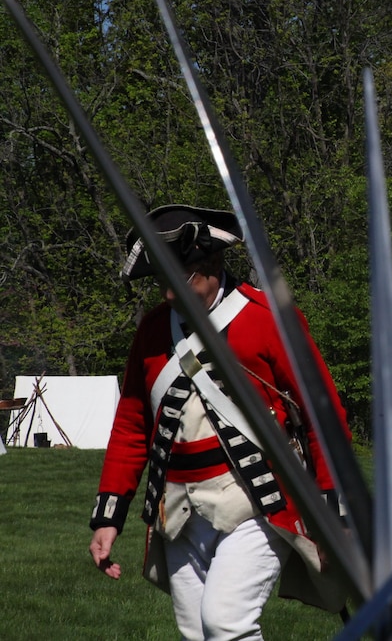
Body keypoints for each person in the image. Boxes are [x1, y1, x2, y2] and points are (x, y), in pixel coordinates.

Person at [88, 205, 351, 641]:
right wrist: (108, 516)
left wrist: (333, 506)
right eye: (162, 284)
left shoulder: (266, 318)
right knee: (197, 632)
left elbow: (322, 413)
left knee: (225, 621)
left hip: (257, 504)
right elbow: (132, 425)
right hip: (178, 510)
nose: (170, 295)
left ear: (211, 265)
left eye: (181, 280)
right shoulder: (153, 332)